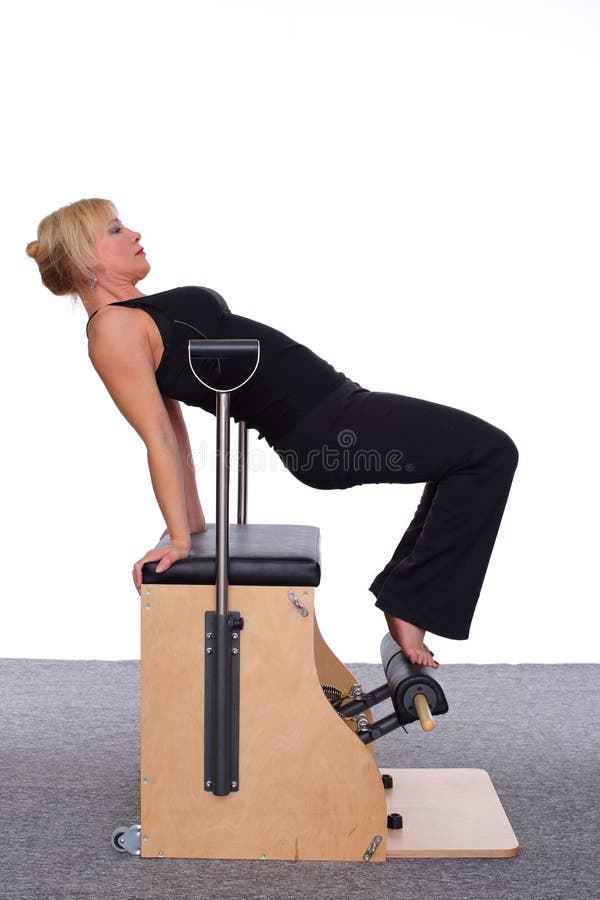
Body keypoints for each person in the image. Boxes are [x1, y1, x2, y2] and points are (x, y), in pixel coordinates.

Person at [27, 198, 519, 669]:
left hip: (341, 408)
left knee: (469, 456)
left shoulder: (137, 312)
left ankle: (409, 599)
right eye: (115, 230)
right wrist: (180, 540)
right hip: (327, 432)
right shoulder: (112, 331)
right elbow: (158, 436)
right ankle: (411, 605)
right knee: (488, 453)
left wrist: (195, 526)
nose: (134, 233)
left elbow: (172, 424)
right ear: (83, 258)